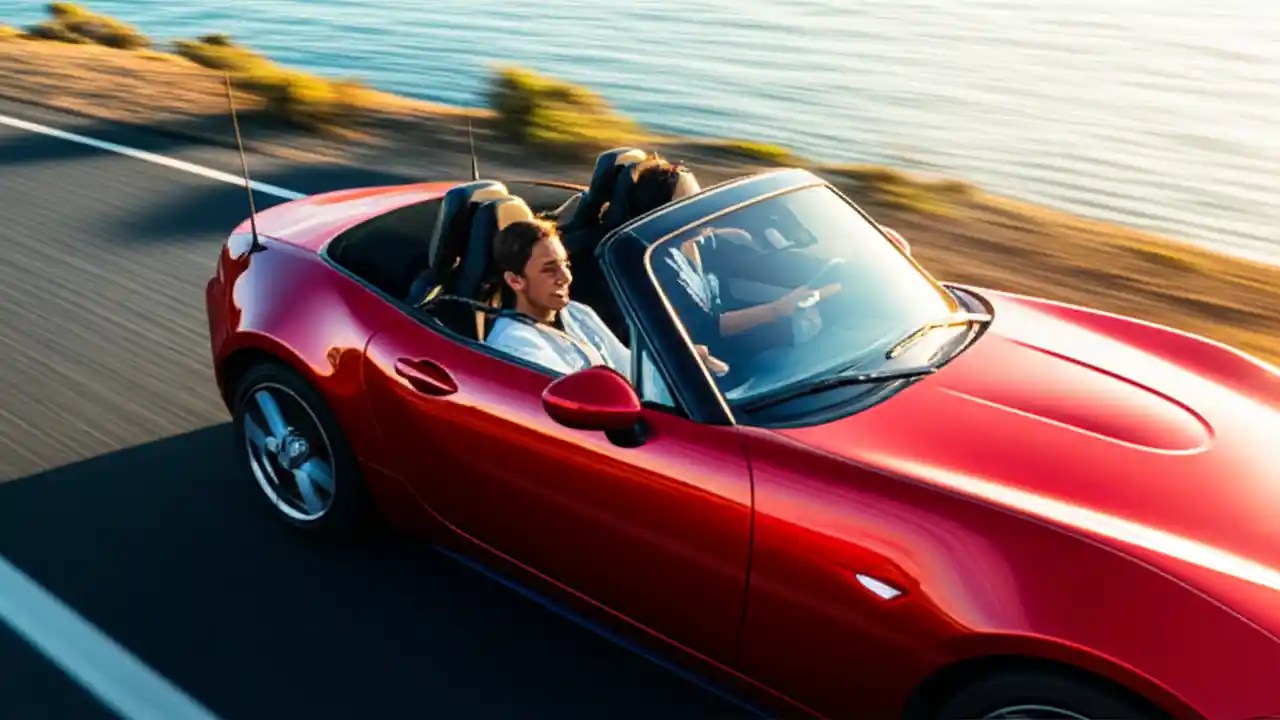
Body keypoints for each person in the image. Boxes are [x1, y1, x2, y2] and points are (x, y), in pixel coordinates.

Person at [630, 159, 842, 353]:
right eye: (688, 202)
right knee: (808, 332)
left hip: (730, 319)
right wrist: (776, 309)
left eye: (699, 197)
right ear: (663, 211)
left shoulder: (701, 240)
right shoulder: (661, 264)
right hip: (713, 351)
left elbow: (748, 261)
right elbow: (707, 328)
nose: (699, 208)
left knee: (830, 312)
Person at [485, 219, 630, 378]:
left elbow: (631, 368)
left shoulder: (577, 312)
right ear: (515, 281)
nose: (566, 277)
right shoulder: (515, 345)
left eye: (566, 264)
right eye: (549, 270)